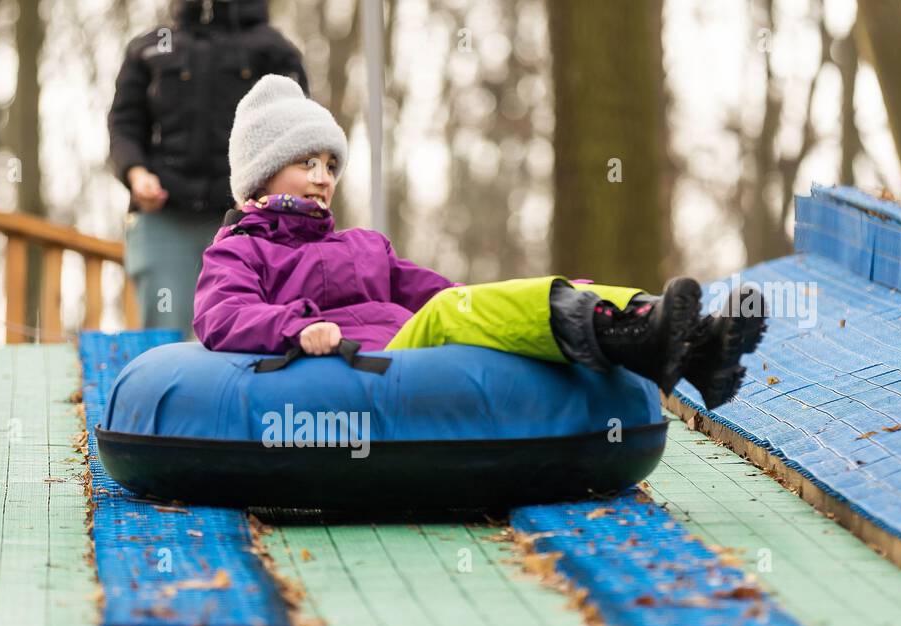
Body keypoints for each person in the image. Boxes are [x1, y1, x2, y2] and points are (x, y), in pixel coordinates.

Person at [193, 76, 764, 410]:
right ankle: (645, 333)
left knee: (475, 300)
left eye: (329, 164)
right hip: (372, 366)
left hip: (421, 358)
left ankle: (688, 345)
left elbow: (447, 291)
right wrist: (296, 328)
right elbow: (222, 315)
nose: (322, 177)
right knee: (448, 311)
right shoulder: (241, 248)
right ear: (262, 175)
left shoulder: (364, 245)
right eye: (305, 163)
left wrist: (524, 298)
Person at [108, 0, 308, 339]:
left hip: (248, 221)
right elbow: (125, 124)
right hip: (165, 216)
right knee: (165, 335)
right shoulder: (149, 48)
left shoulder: (275, 51)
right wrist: (136, 173)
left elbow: (295, 132)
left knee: (248, 331)